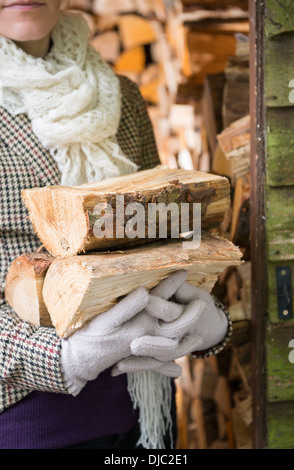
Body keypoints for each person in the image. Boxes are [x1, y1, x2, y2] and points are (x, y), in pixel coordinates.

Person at [0, 0, 232, 450]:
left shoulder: (121, 96)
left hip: (145, 405)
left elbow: (163, 239)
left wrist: (210, 320)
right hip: (32, 418)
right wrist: (64, 357)